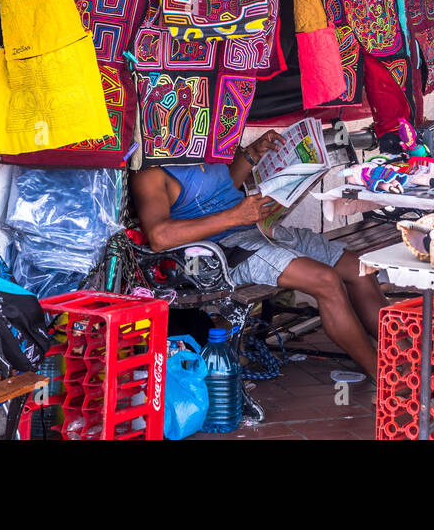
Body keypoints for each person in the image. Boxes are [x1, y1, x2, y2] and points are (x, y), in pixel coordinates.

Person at [130, 130, 386, 380]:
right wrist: (233, 217)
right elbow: (159, 237)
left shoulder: (206, 142)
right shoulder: (152, 170)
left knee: (357, 267)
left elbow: (218, 188)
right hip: (221, 251)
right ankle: (382, 374)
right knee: (325, 280)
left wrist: (252, 154)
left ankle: (401, 353)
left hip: (258, 230)